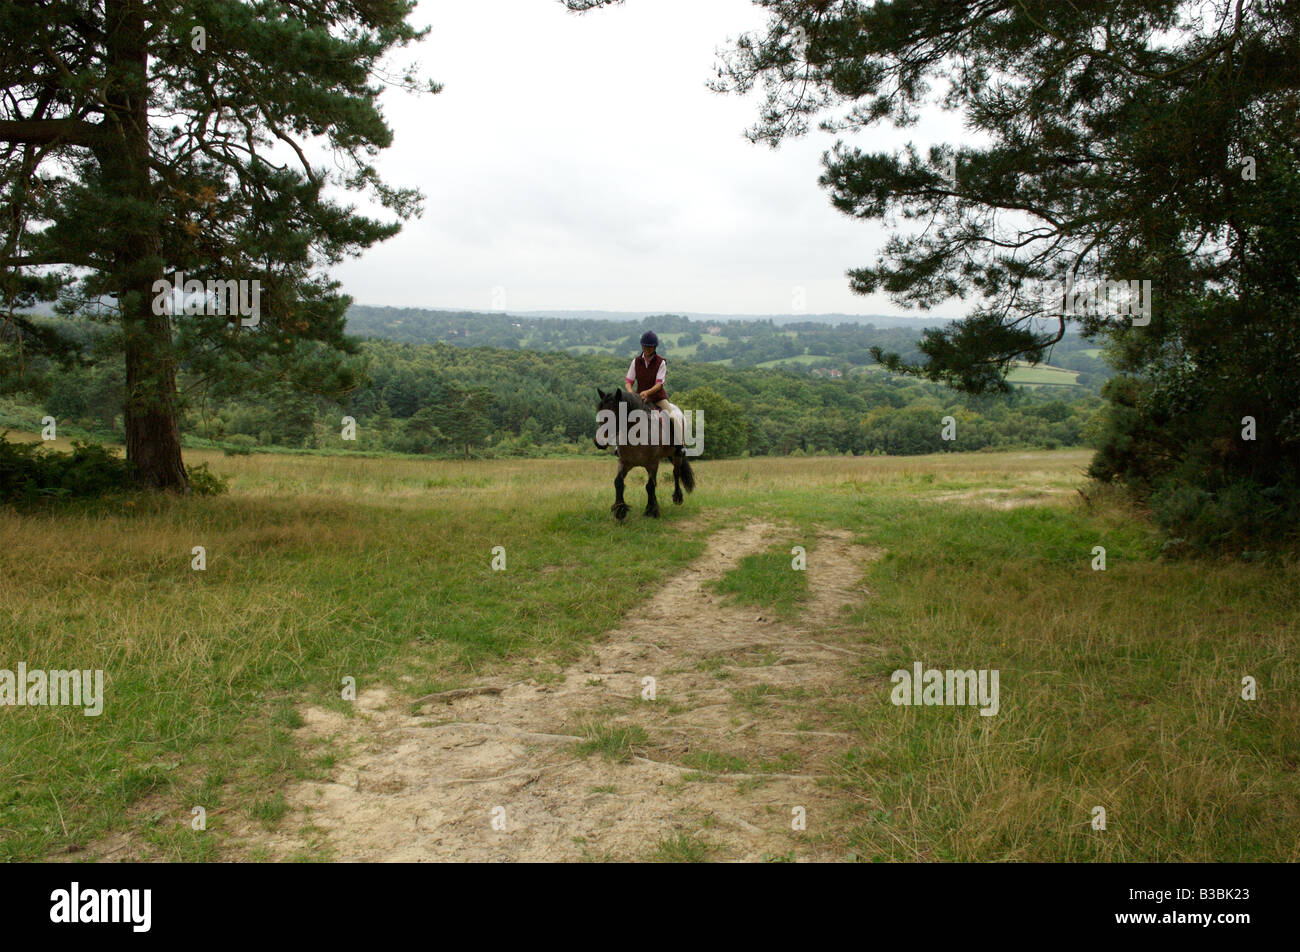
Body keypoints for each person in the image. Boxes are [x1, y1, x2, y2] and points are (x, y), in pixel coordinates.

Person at [626, 330, 685, 456]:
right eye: (645, 346)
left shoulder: (661, 362)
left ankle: (681, 445)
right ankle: (619, 446)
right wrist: (631, 394)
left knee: (673, 417)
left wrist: (647, 392)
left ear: (654, 347)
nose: (647, 349)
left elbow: (659, 384)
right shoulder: (635, 362)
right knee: (624, 416)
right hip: (640, 399)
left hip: (658, 398)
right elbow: (628, 381)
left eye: (650, 346)